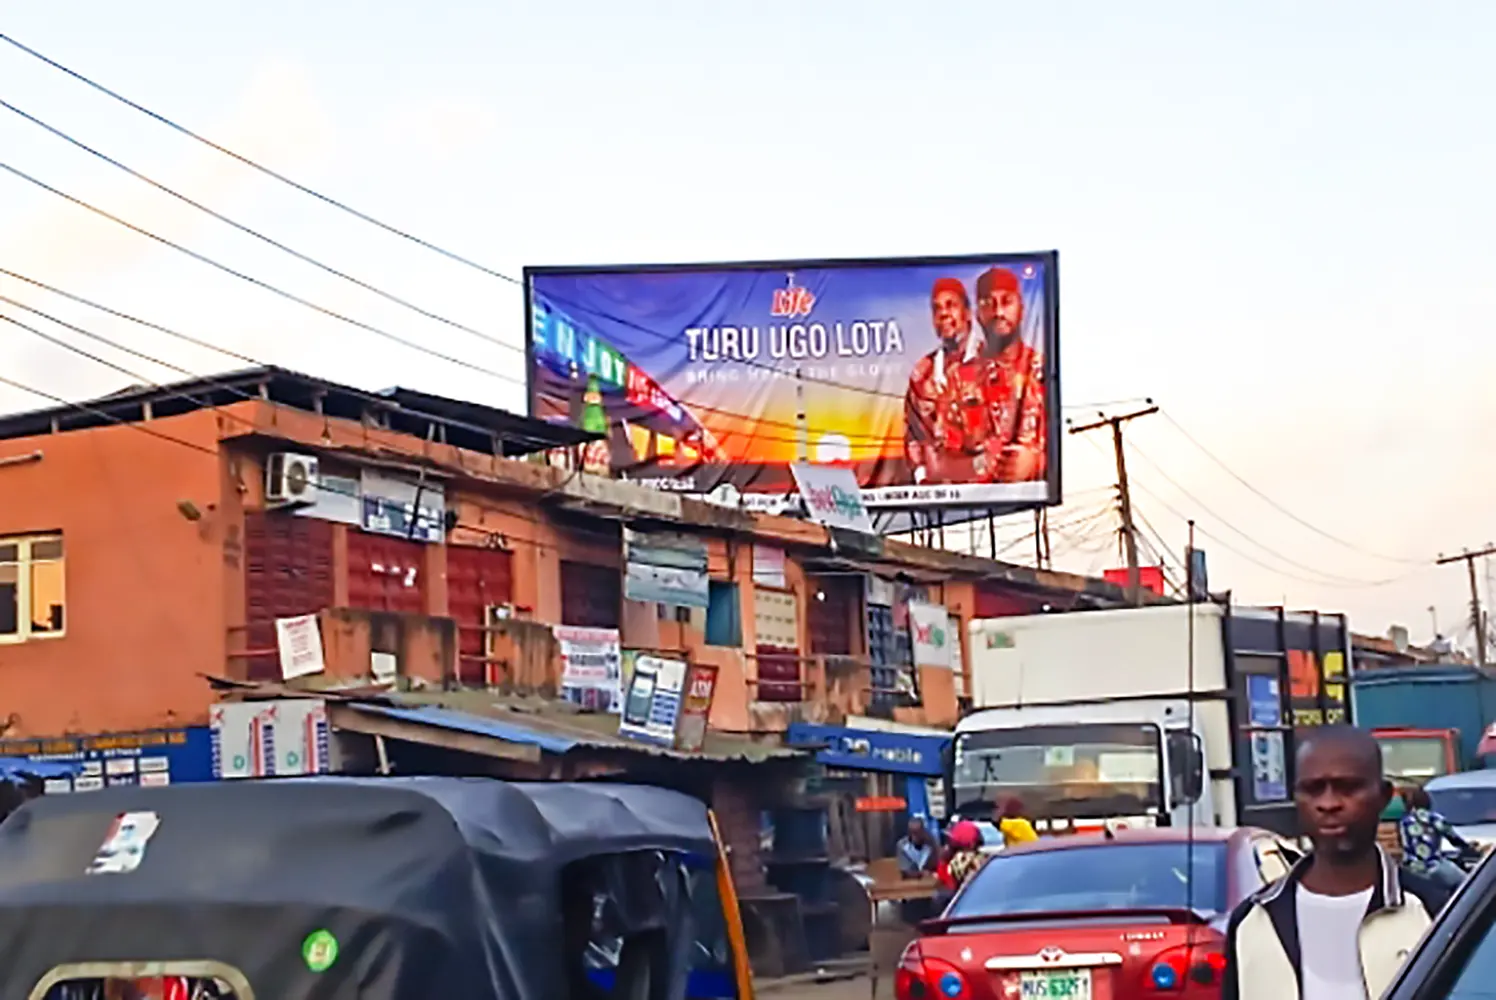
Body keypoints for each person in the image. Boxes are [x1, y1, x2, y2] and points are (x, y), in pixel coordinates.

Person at [1222, 726, 1452, 1000]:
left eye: (1348, 788)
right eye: (1313, 789)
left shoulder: (1434, 912)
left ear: (1383, 796)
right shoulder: (1253, 920)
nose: (1328, 803)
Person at [904, 277, 981, 485]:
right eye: (936, 309)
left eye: (951, 305)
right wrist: (922, 479)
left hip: (984, 483)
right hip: (938, 489)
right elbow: (913, 433)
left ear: (967, 313)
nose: (943, 313)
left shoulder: (991, 364)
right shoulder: (922, 373)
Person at [1399, 783, 1475, 889]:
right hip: (1432, 865)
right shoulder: (1434, 818)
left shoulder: (1404, 821)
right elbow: (1453, 837)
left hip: (1410, 868)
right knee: (1466, 884)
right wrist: (1467, 846)